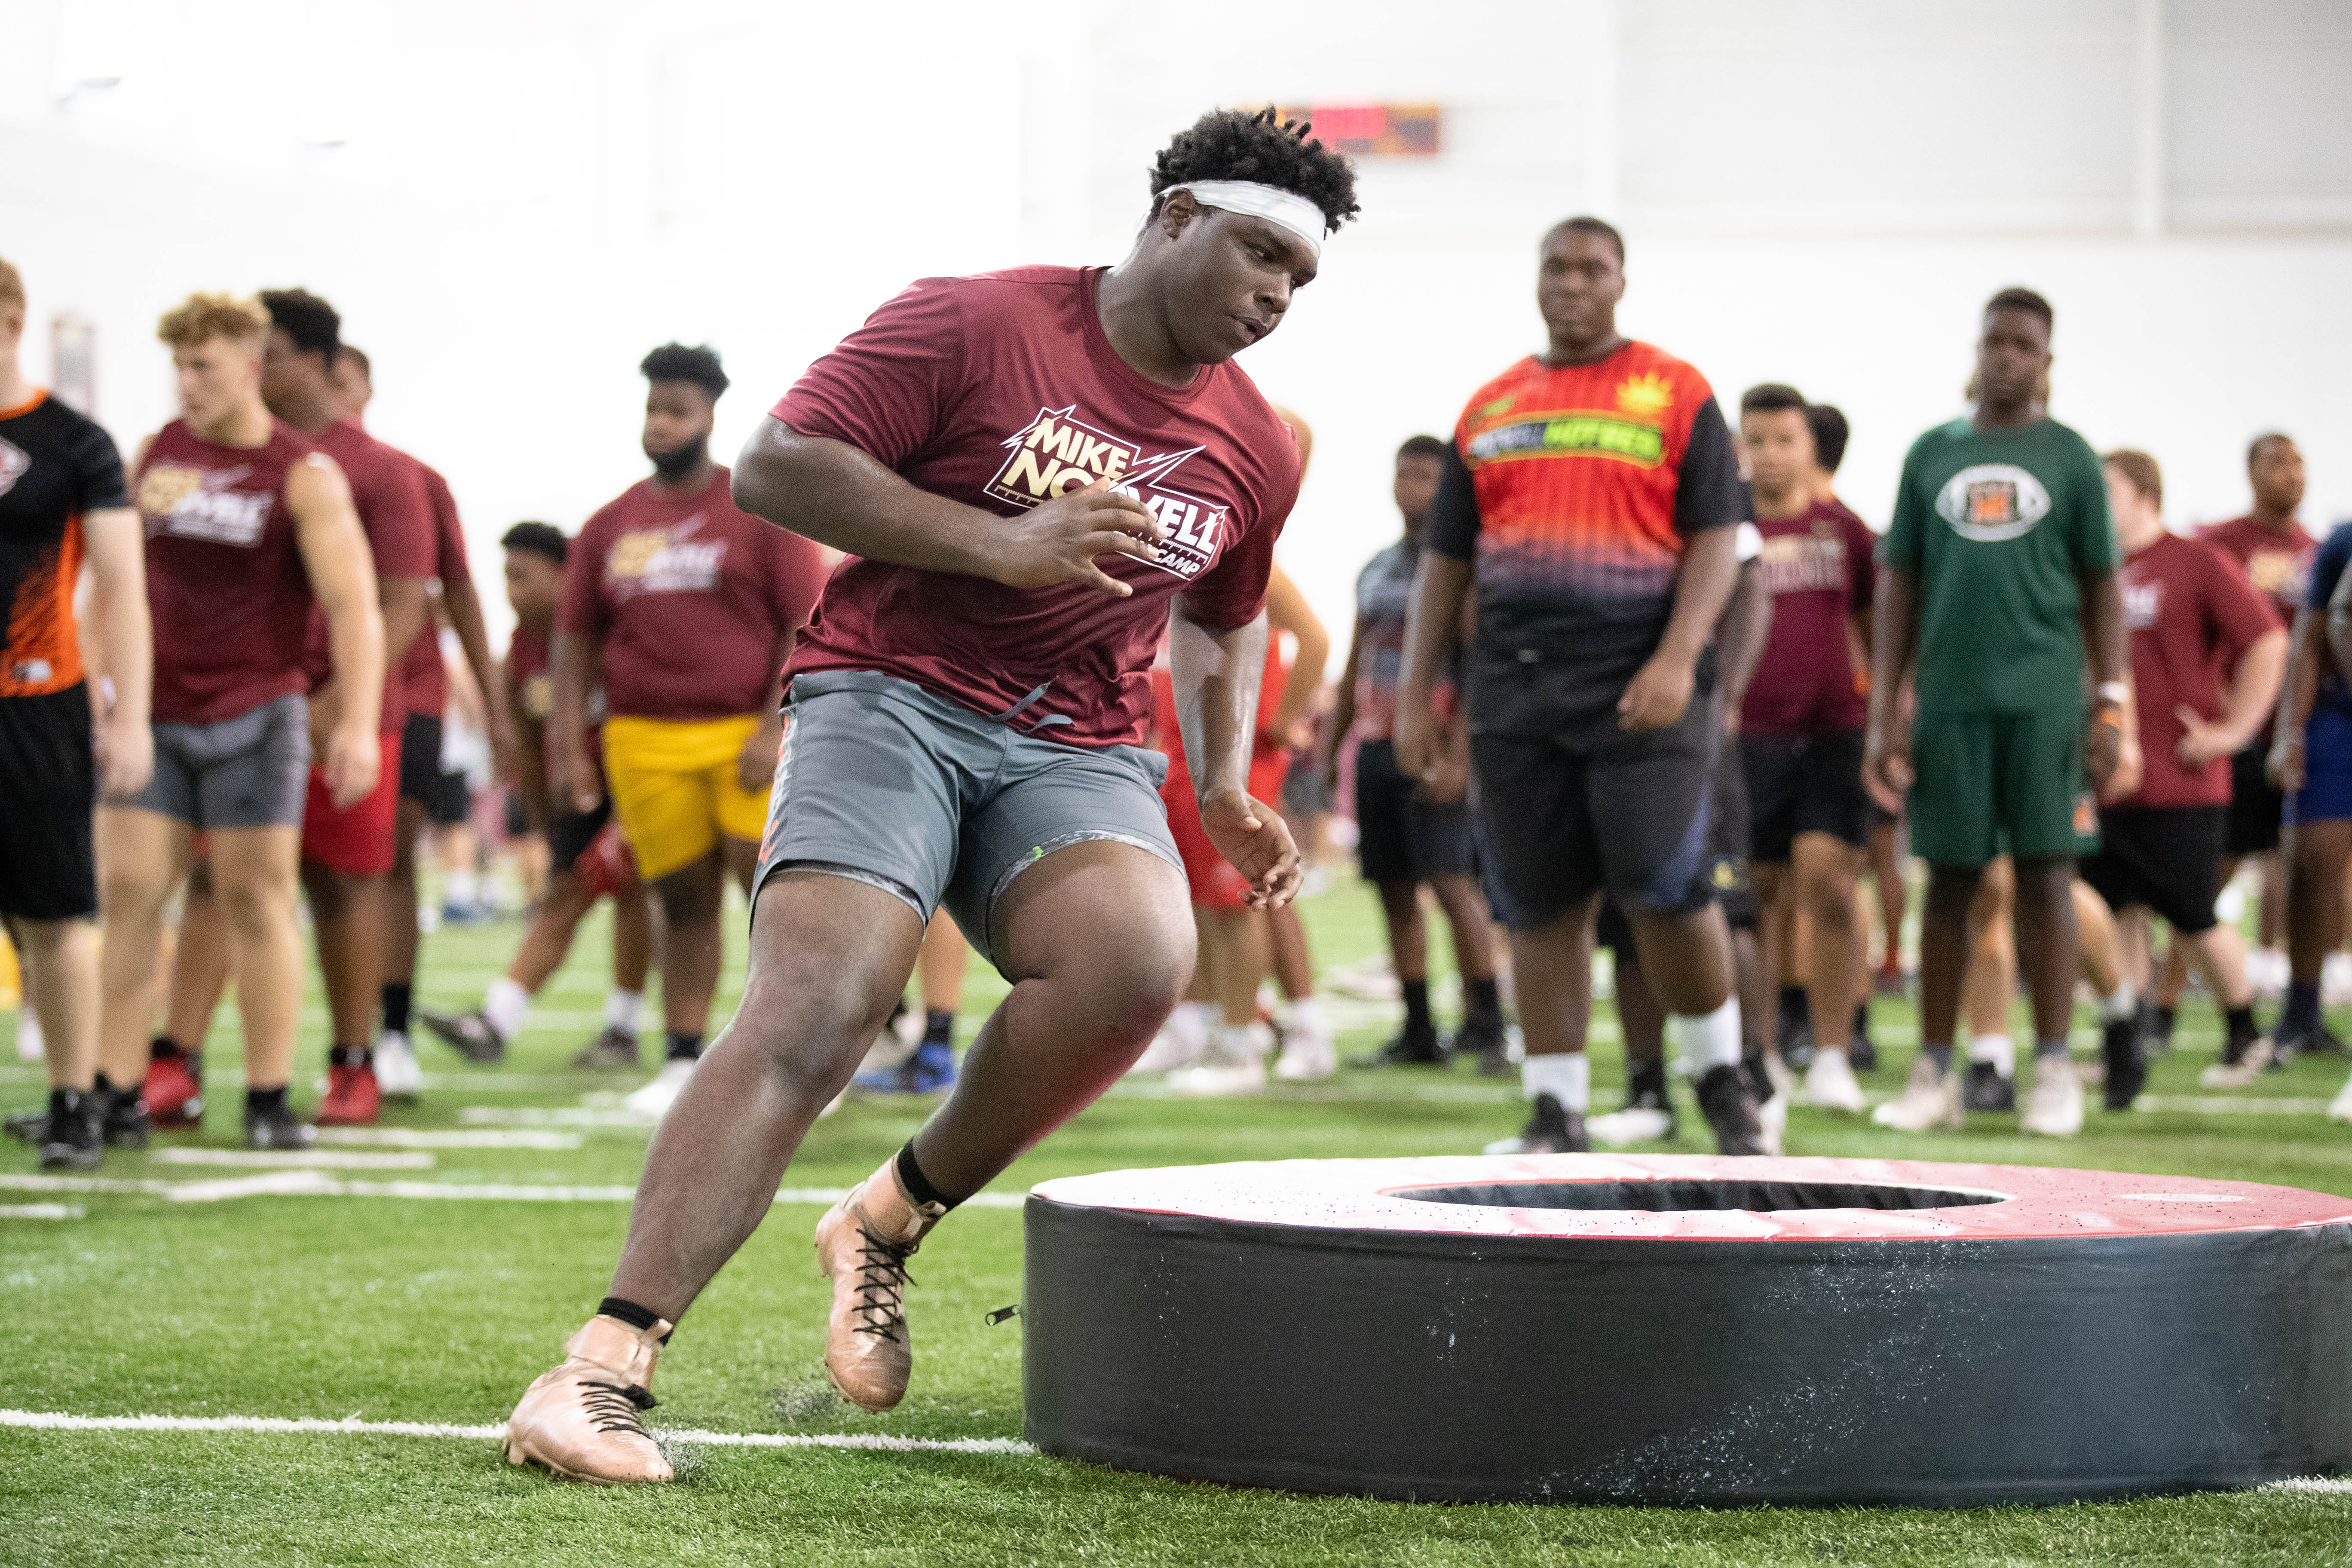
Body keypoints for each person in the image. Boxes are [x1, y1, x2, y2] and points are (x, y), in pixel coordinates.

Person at [501, 107, 1348, 1485]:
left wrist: (1222, 777)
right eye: (1261, 253)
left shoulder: (1262, 438)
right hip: (891, 687)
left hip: (1075, 738)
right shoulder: (977, 320)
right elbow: (779, 465)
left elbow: (1227, 611)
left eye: (1300, 281)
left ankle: (888, 1216)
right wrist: (1000, 546)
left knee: (1139, 966)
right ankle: (597, 1367)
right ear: (1178, 215)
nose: (1274, 296)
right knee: (828, 1001)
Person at [1396, 216, 1765, 1157]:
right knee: (1537, 903)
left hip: (1641, 689)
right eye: (1555, 267)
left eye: (1591, 269)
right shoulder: (1490, 407)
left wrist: (1680, 658)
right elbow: (1446, 562)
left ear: (1621, 282)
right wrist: (1415, 699)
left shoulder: (1678, 394)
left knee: (1666, 888)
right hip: (1514, 697)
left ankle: (1725, 1083)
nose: (1570, 283)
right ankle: (1556, 1108)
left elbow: (1720, 538)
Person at [94, 292, 383, 1150]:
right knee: (131, 896)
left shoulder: (303, 472)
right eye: (179, 368)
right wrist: (101, 696)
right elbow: (114, 582)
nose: (187, 384)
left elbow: (354, 606)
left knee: (259, 901)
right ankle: (111, 1095)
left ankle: (266, 1097)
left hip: (258, 714)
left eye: (204, 368)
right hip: (158, 713)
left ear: (249, 368)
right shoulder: (158, 454)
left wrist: (359, 723)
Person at [1867, 287, 2125, 1139]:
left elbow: (2103, 588)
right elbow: (1899, 583)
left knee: (2050, 878)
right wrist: (1885, 708)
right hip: (1948, 702)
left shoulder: (2071, 457)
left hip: (2049, 701)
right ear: (1976, 350)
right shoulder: (1931, 454)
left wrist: (2111, 702)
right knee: (1949, 882)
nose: (2006, 356)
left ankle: (2054, 1068)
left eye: (2023, 344)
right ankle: (1934, 1071)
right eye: (1995, 341)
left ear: (2046, 361)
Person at [547, 343, 827, 1119]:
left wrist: (775, 726)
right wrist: (568, 744)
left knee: (768, 896)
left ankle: (803, 1055)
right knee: (681, 901)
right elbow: (573, 643)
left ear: (709, 416)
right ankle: (679, 1057)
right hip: (642, 737)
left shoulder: (758, 508)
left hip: (743, 733)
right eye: (652, 410)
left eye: (676, 411)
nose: (660, 424)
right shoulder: (611, 523)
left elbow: (803, 620)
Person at [256, 289, 435, 1128]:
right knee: (224, 886)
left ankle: (355, 1060)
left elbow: (405, 603)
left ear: (323, 363)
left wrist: (335, 702)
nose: (255, 366)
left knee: (346, 885)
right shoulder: (234, 458)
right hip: (238, 704)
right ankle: (168, 1061)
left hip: (349, 710)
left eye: (271, 350)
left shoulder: (383, 471)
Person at [324, 345, 511, 1097]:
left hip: (406, 696)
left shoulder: (408, 477)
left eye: (342, 381)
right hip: (297, 695)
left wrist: (495, 710)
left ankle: (389, 1035)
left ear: (365, 385)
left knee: (389, 859)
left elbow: (460, 590)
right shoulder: (276, 468)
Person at [0, 256, 151, 1170]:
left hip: (37, 705)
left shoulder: (75, 442)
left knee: (55, 916)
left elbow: (124, 589)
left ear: (11, 317)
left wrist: (128, 714)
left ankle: (74, 1102)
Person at [2081, 450, 2282, 1105]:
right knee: (2115, 916)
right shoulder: (2095, 567)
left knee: (2193, 913)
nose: (2096, 498)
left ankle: (2246, 1032)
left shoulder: (2193, 560)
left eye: (2107, 487)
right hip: (2110, 779)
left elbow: (2268, 639)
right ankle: (2127, 1036)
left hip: (2183, 779)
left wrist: (2235, 730)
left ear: (2145, 494)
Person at [420, 523, 656, 1067]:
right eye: (505, 577)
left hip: (634, 779)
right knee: (571, 898)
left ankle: (530, 1021)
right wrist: (541, 820)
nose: (510, 591)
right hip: (573, 794)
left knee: (620, 894)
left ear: (564, 575)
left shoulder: (615, 630)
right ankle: (536, 1022)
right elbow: (527, 746)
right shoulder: (520, 651)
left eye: (521, 577)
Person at [1326, 435, 1505, 1069]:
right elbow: (1354, 664)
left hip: (1434, 747)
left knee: (1455, 886)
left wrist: (1459, 755)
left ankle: (1487, 1023)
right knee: (1394, 890)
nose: (1413, 489)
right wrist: (1330, 752)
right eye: (1405, 476)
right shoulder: (1376, 566)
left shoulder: (1467, 568)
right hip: (1376, 746)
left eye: (1428, 478)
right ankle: (1418, 1029)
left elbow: (1479, 665)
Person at [1736, 384, 1878, 1115]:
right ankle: (1758, 1055)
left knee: (1829, 884)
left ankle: (1831, 1051)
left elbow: (1876, 626)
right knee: (1753, 898)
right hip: (1746, 735)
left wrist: (1885, 719)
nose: (1769, 454)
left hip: (1832, 732)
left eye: (1783, 440)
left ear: (1807, 446)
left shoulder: (1844, 530)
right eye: (1755, 440)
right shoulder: (1723, 528)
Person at [1150, 561, 1327, 1092]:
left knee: (1238, 899)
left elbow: (1315, 640)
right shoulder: (1170, 556)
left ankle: (1241, 1046)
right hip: (1188, 754)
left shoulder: (1252, 556)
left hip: (1236, 754)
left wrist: (1282, 718)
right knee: (1203, 895)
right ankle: (1215, 1032)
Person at [2190, 433, 2313, 1009]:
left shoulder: (2317, 550)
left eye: (2298, 463)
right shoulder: (2219, 545)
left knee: (2304, 865)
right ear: (2252, 471)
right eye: (2278, 462)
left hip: (2301, 733)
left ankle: (2295, 988)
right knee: (2206, 881)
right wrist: (2233, 714)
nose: (2292, 474)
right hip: (2237, 741)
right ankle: (2166, 1005)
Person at [2272, 515, 2352, 1064]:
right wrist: (2290, 731)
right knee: (2313, 860)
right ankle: (2301, 1009)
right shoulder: (2344, 540)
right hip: (2336, 717)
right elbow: (2316, 632)